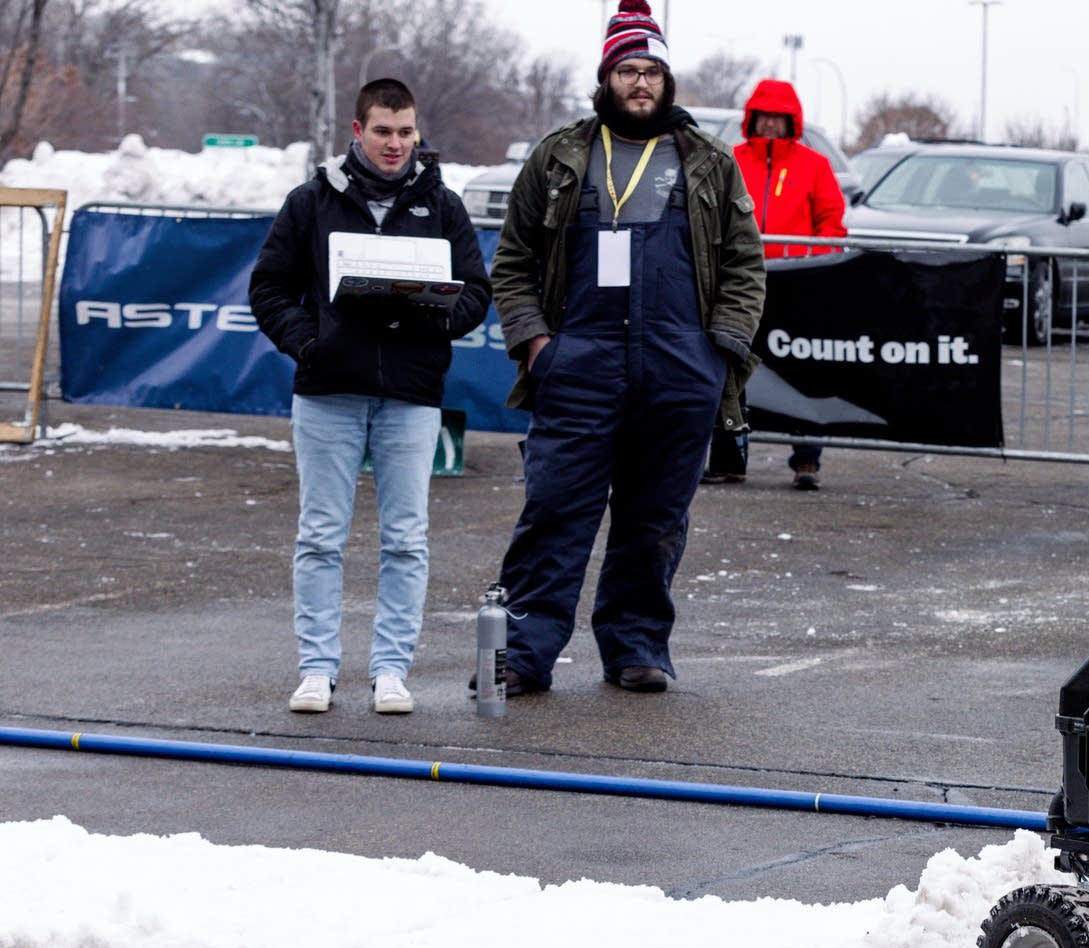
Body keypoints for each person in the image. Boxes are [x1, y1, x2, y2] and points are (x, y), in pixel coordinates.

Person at [486, 0, 766, 695]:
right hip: (577, 362)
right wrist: (536, 343)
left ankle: (637, 645)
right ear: (605, 77)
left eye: (651, 71)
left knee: (655, 520)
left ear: (667, 81)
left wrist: (718, 355)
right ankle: (521, 654)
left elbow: (745, 265)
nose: (640, 83)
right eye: (627, 70)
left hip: (678, 366)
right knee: (553, 512)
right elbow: (514, 257)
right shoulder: (559, 155)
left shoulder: (707, 161)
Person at [249, 78, 492, 716]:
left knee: (406, 539)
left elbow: (474, 290)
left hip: (410, 396)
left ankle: (390, 670)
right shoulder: (310, 201)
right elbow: (269, 288)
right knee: (321, 535)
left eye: (406, 131)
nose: (395, 143)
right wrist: (310, 341)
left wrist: (433, 315)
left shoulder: (442, 204)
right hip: (328, 391)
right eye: (383, 130)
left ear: (418, 134)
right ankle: (316, 669)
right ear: (357, 132)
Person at [729, 77, 848, 491]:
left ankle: (807, 460)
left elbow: (831, 222)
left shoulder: (814, 165)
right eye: (763, 116)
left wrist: (814, 264)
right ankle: (729, 455)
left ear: (791, 121)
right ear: (752, 118)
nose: (770, 125)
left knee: (802, 374)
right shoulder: (731, 161)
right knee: (731, 370)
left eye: (778, 118)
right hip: (739, 286)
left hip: (797, 286)